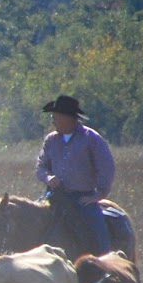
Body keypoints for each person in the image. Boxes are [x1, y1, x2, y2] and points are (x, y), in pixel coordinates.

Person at [35, 95, 116, 255]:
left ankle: (104, 262)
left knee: (98, 229)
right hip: (55, 197)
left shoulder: (91, 139)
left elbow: (106, 167)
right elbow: (41, 166)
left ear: (68, 118)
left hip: (82, 199)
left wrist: (99, 195)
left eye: (56, 117)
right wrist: (48, 178)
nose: (53, 121)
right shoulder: (51, 140)